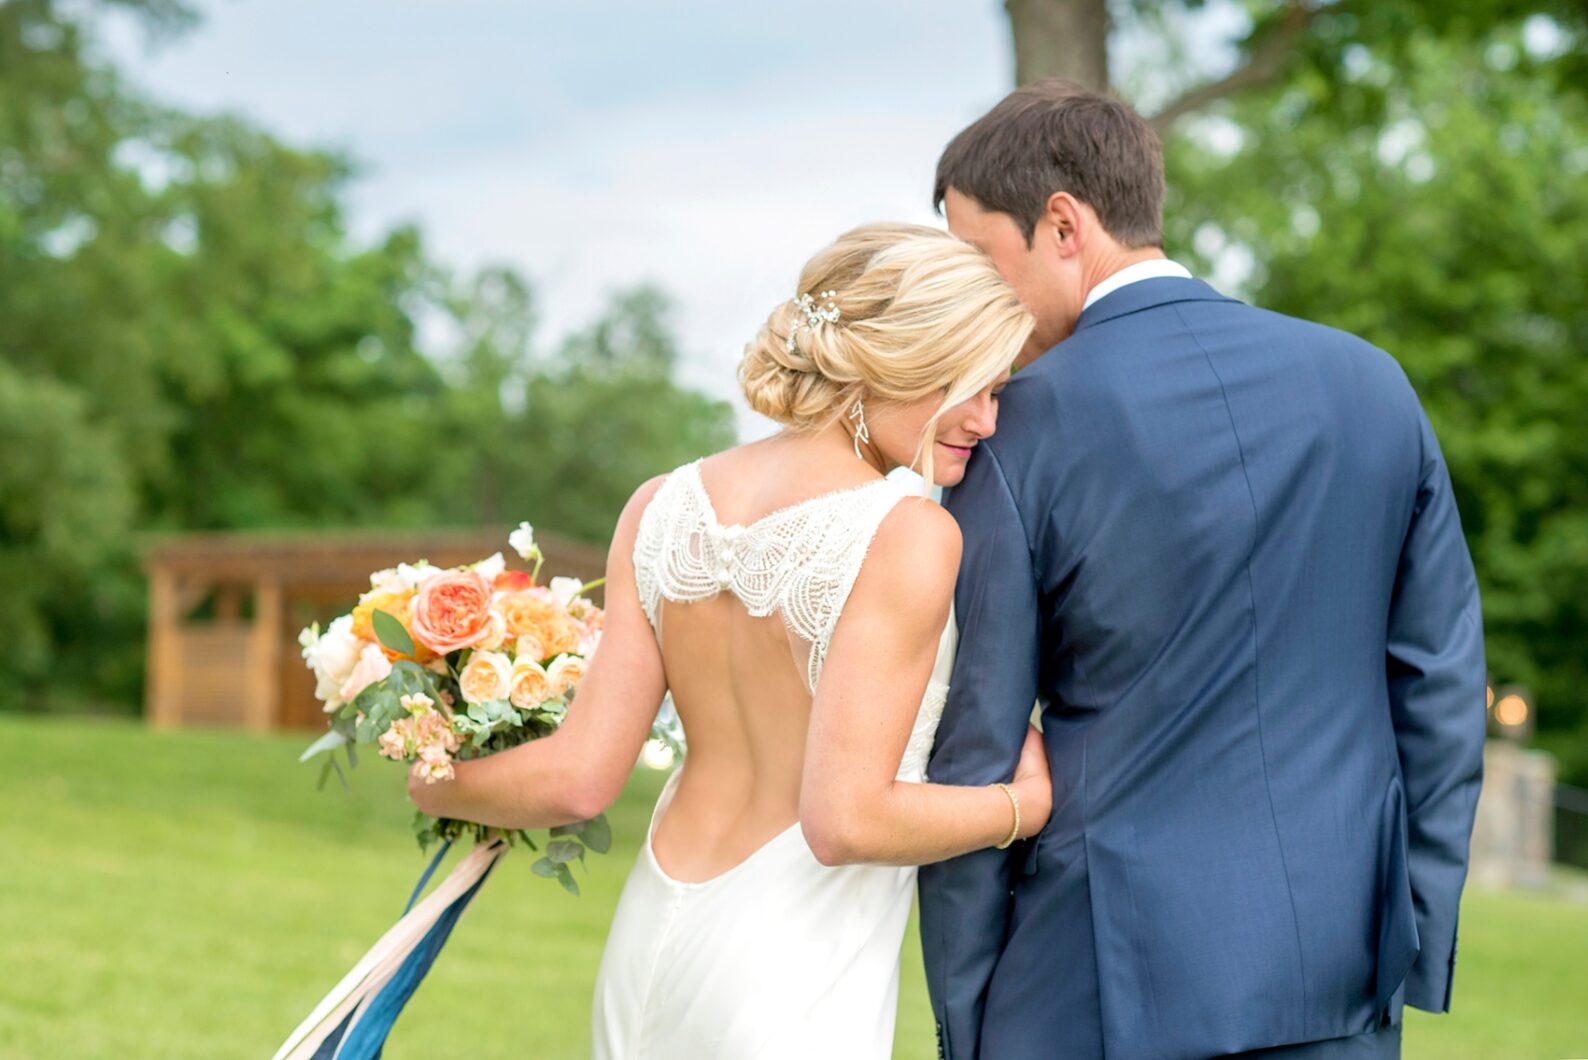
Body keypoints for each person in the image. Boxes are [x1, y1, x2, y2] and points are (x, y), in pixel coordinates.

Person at [918, 79, 1487, 1060]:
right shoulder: (1371, 385)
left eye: (979, 259)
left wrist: (966, 1020)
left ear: (1061, 224)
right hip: (1342, 973)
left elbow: (981, 743)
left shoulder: (1017, 428)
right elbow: (1439, 684)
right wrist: (1414, 932)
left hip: (1093, 984)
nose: (974, 298)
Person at [407, 221, 1049, 1058]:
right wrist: (1018, 808)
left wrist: (434, 777)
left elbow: (578, 777)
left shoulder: (660, 504)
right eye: (969, 387)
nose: (987, 420)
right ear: (892, 362)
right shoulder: (906, 533)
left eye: (999, 391)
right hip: (794, 975)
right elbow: (844, 820)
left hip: (649, 941)